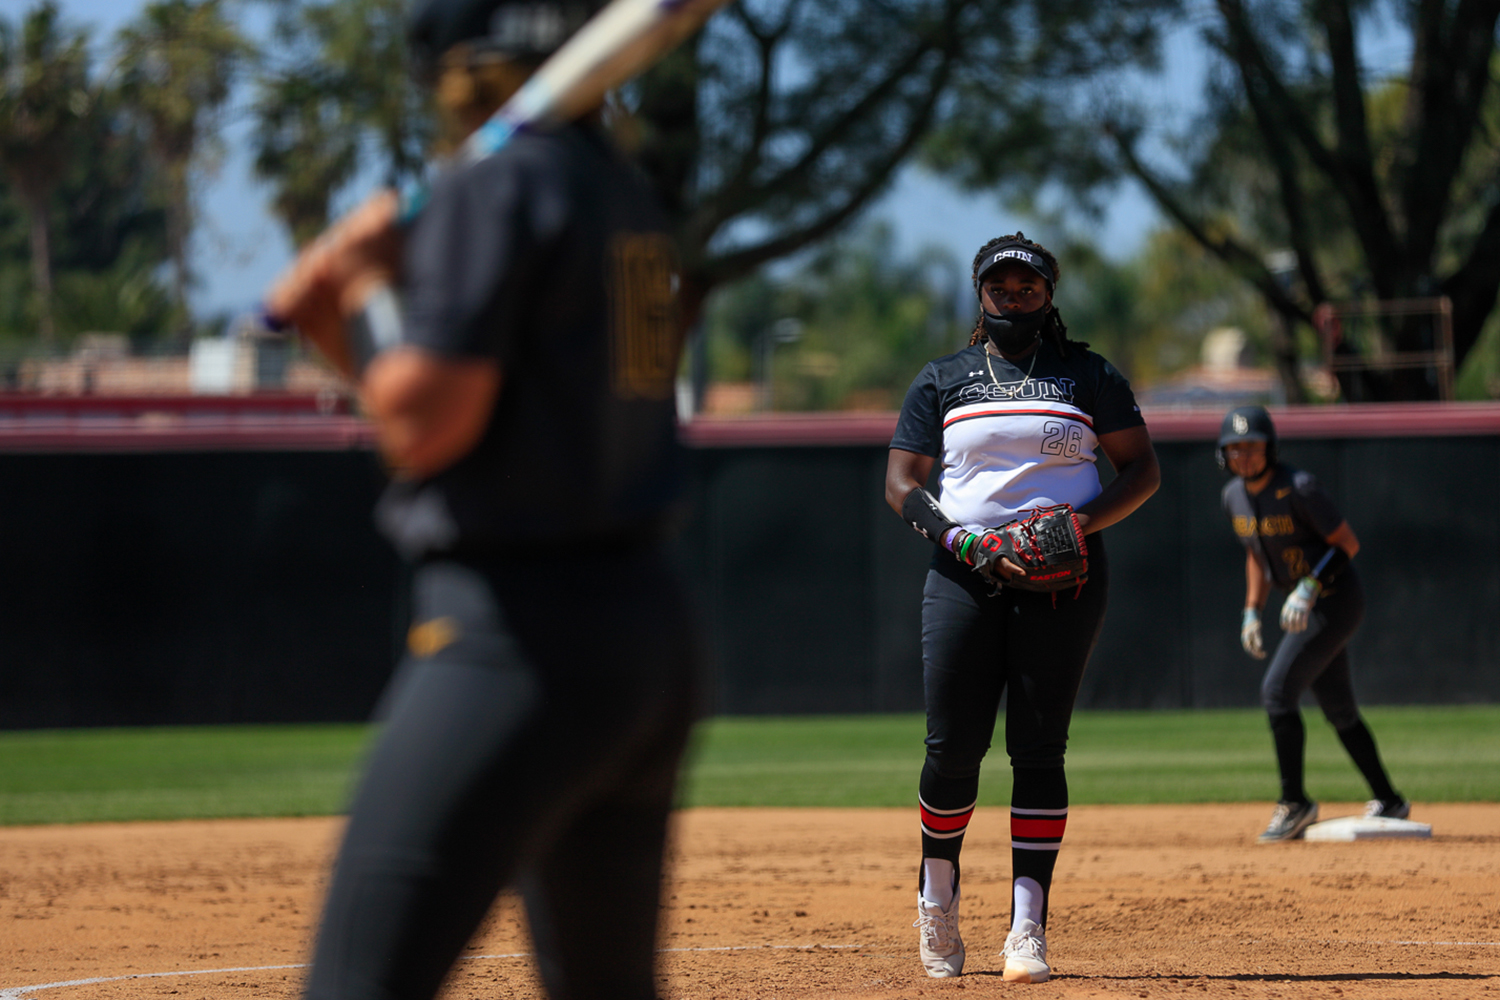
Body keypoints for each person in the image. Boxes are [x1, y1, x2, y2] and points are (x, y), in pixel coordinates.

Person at [262, 1, 701, 997]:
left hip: (517, 635)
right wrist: (347, 314)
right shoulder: (615, 187)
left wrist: (370, 281)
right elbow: (422, 409)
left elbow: (424, 426)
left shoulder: (494, 180)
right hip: (643, 634)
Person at [884, 233, 1160, 983]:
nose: (1014, 296)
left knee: (1039, 750)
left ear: (1049, 294)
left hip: (1063, 578)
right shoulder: (943, 378)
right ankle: (936, 893)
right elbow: (903, 484)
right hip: (963, 574)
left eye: (1028, 286)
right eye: (1000, 286)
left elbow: (1142, 470)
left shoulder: (1087, 374)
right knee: (953, 750)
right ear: (980, 294)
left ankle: (1026, 928)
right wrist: (964, 542)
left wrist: (1081, 524)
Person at [1218, 405, 1408, 844]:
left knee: (1277, 692)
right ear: (1222, 454)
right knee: (1339, 710)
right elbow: (1256, 554)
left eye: (1252, 446)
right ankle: (1389, 799)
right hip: (1303, 603)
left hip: (1335, 600)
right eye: (1234, 448)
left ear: (1271, 447)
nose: (1243, 456)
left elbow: (1347, 543)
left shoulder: (1298, 486)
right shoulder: (1233, 496)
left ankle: (1295, 802)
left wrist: (1307, 586)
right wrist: (1252, 609)